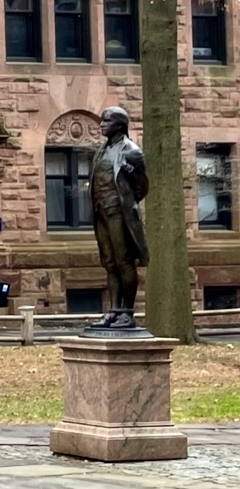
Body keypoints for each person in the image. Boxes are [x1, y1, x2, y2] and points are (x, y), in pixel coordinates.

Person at [89, 106, 149, 331]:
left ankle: (127, 312)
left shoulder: (132, 151)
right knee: (110, 263)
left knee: (124, 261)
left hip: (118, 213)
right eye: (102, 121)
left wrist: (126, 197)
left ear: (120, 125)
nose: (101, 125)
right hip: (100, 212)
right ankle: (114, 310)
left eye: (107, 121)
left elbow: (142, 187)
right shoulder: (101, 150)